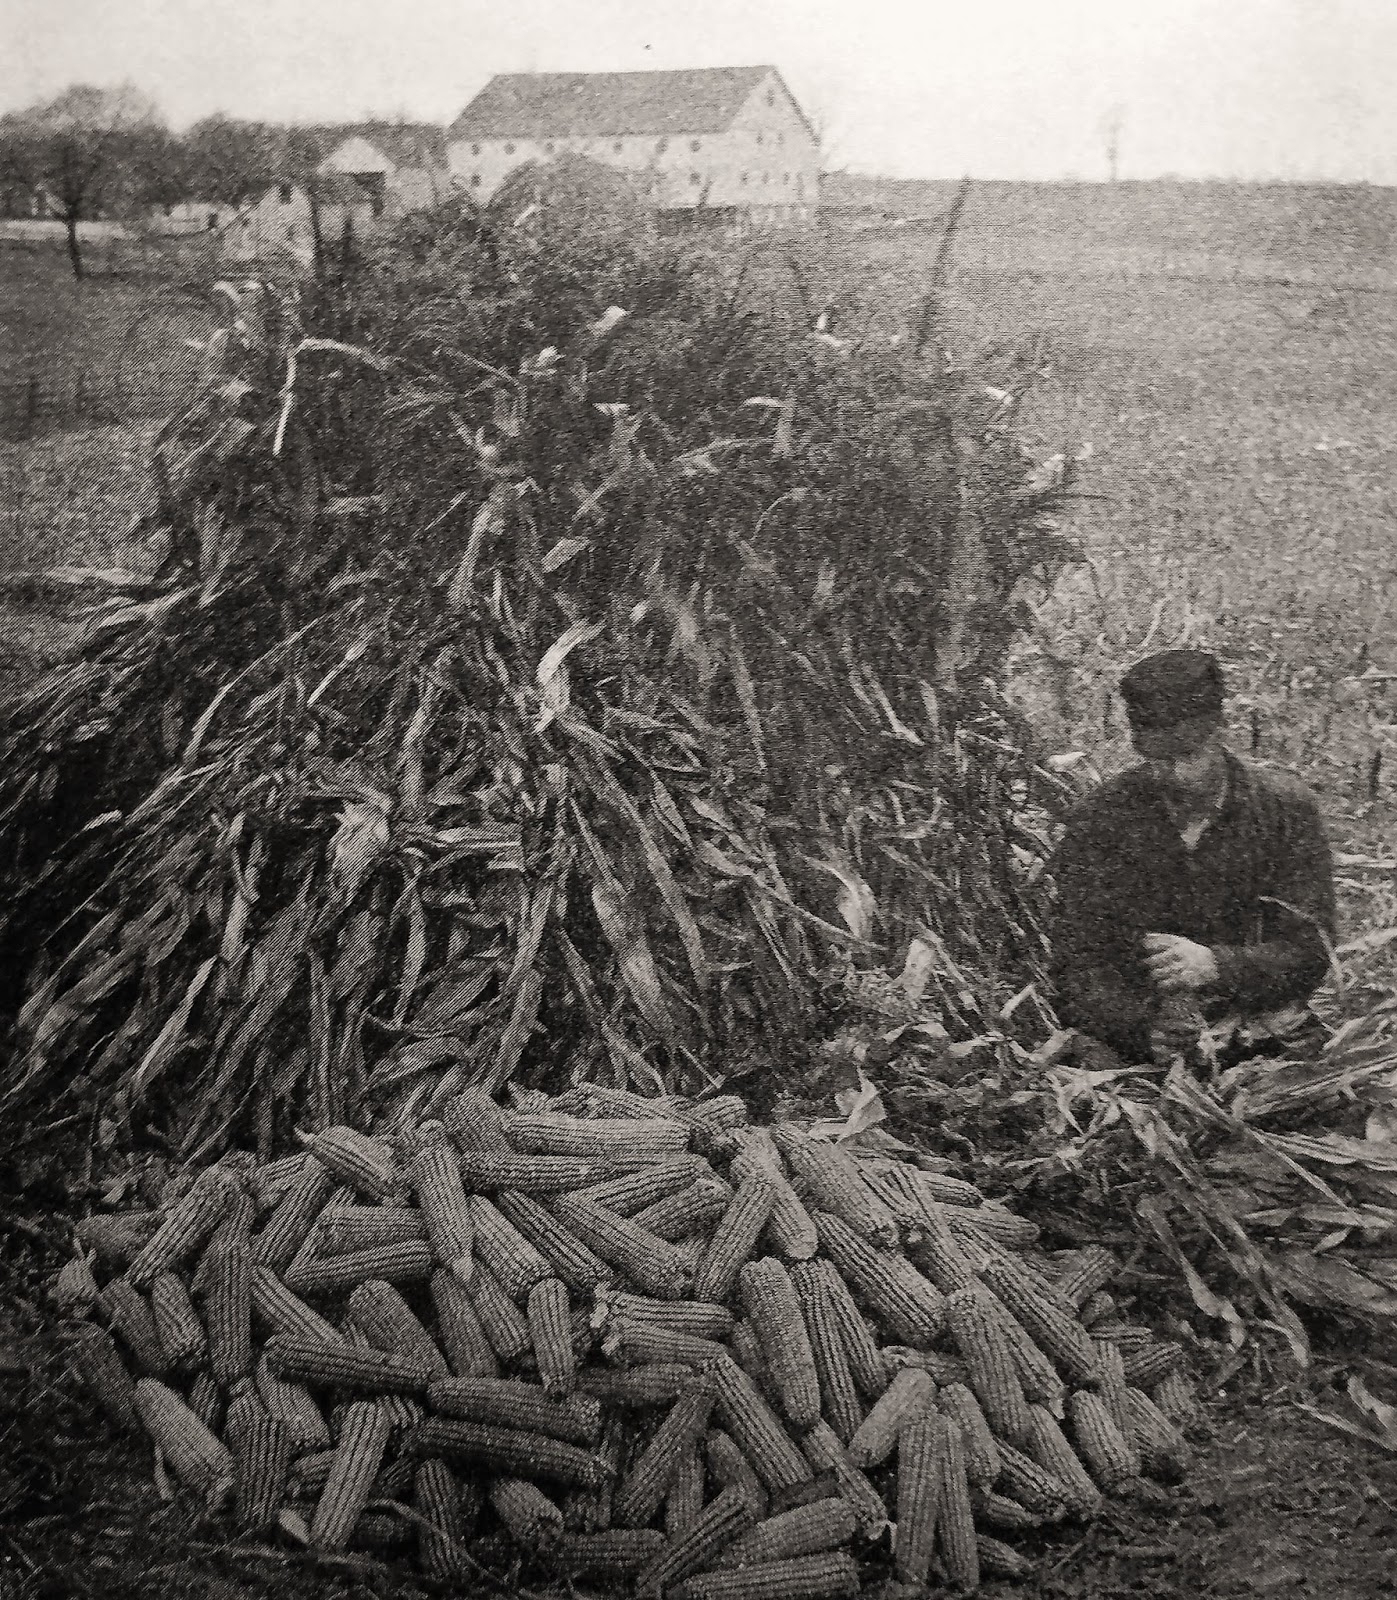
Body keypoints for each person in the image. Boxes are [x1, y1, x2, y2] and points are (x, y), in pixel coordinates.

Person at [1050, 648, 1336, 1066]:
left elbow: (1311, 951)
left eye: (1188, 756)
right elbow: (1076, 965)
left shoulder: (1283, 810)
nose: (1175, 777)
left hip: (1262, 1032)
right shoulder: (1101, 819)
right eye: (1158, 760)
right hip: (1136, 1043)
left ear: (1218, 729)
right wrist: (1138, 1026)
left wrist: (1217, 965)